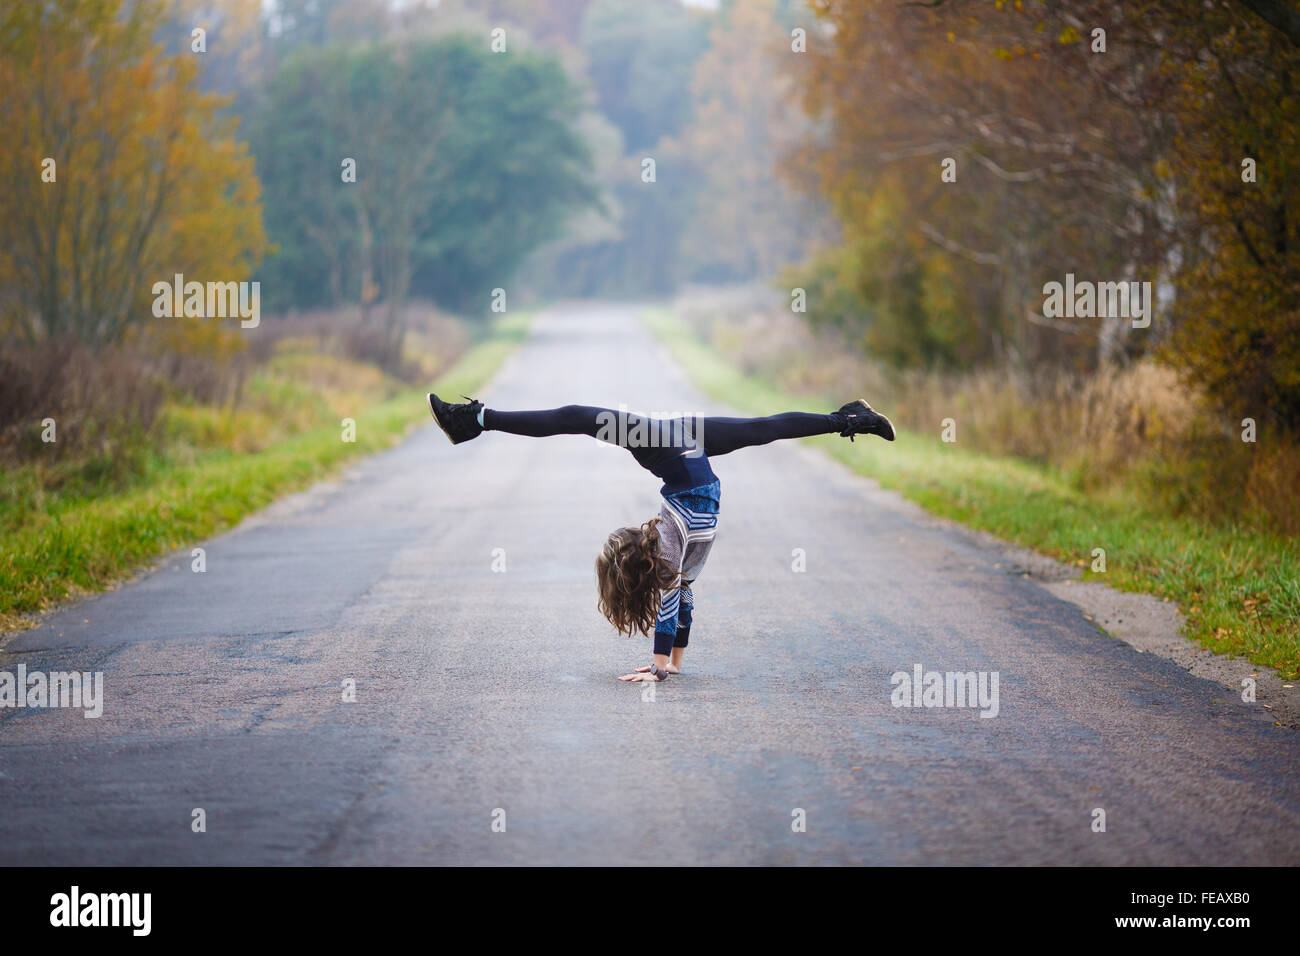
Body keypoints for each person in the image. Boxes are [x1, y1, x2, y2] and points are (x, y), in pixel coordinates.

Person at [427, 393, 895, 682]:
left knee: (761, 430)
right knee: (578, 416)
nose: (623, 537)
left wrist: (673, 663)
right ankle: (476, 420)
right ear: (642, 562)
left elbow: (680, 601)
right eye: (623, 549)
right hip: (676, 457)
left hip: (688, 464)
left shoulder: (681, 561)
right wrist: (659, 665)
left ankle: (850, 419)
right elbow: (672, 601)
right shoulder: (671, 556)